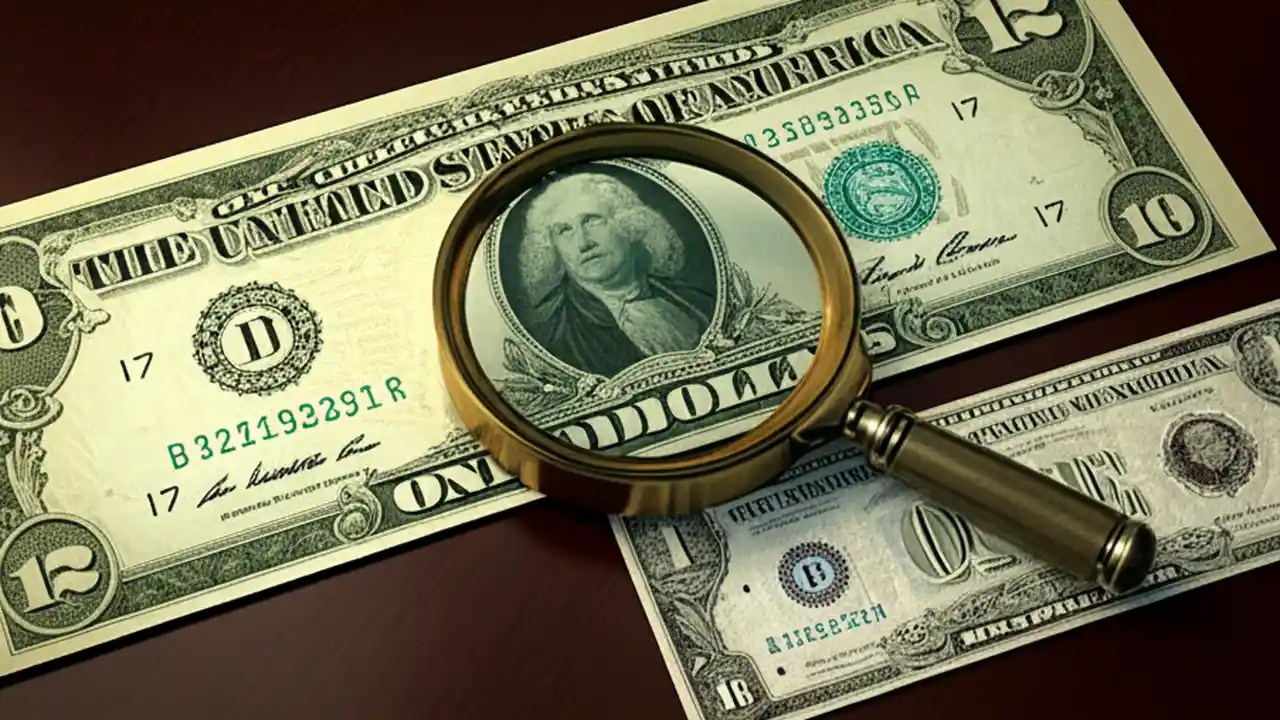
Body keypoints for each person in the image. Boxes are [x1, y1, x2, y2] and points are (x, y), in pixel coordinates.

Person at [511, 170, 716, 377]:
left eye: (591, 221)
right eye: (564, 230)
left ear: (628, 225)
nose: (583, 243)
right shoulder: (552, 334)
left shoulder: (695, 301)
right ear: (552, 247)